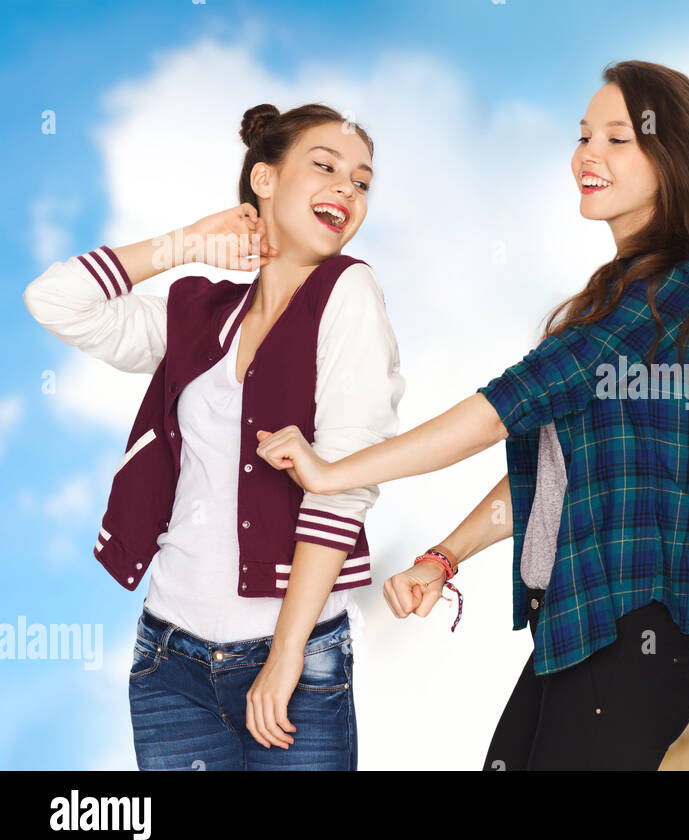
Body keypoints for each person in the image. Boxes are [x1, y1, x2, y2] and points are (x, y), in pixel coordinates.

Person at [255, 62, 689, 770]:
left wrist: (332, 472)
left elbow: (499, 411)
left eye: (618, 138)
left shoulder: (668, 294)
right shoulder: (618, 297)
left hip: (629, 636)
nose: (588, 154)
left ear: (673, 160)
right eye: (584, 136)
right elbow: (556, 476)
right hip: (581, 632)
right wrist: (444, 555)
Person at [22, 103, 404, 770]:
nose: (348, 189)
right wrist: (186, 243)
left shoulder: (349, 293)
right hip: (168, 659)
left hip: (294, 657)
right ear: (264, 179)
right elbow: (54, 301)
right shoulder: (200, 314)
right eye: (326, 167)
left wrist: (287, 656)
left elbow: (344, 484)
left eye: (362, 181)